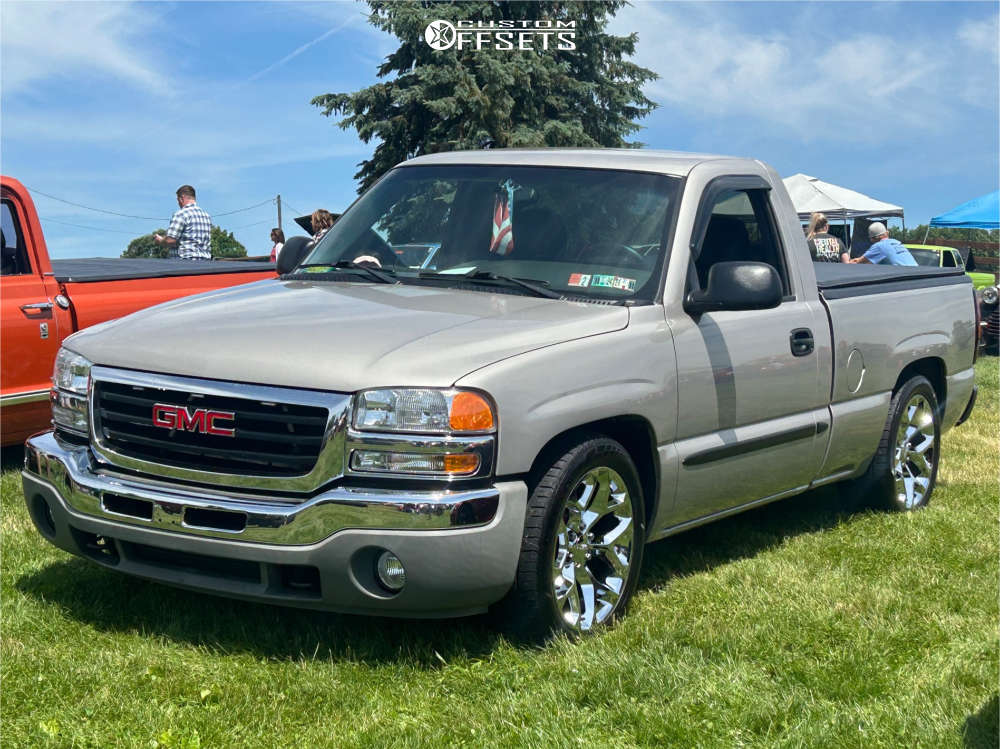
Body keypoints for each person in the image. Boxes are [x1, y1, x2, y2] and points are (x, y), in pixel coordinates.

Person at [154, 185, 211, 260]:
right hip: (205, 262)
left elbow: (170, 240)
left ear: (182, 198)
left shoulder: (181, 214)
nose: (178, 203)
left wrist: (161, 240)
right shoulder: (206, 216)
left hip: (184, 262)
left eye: (178, 200)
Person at [849, 222, 917, 265]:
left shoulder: (879, 246)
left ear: (873, 238)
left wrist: (846, 264)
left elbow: (858, 262)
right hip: (918, 276)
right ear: (887, 233)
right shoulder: (896, 242)